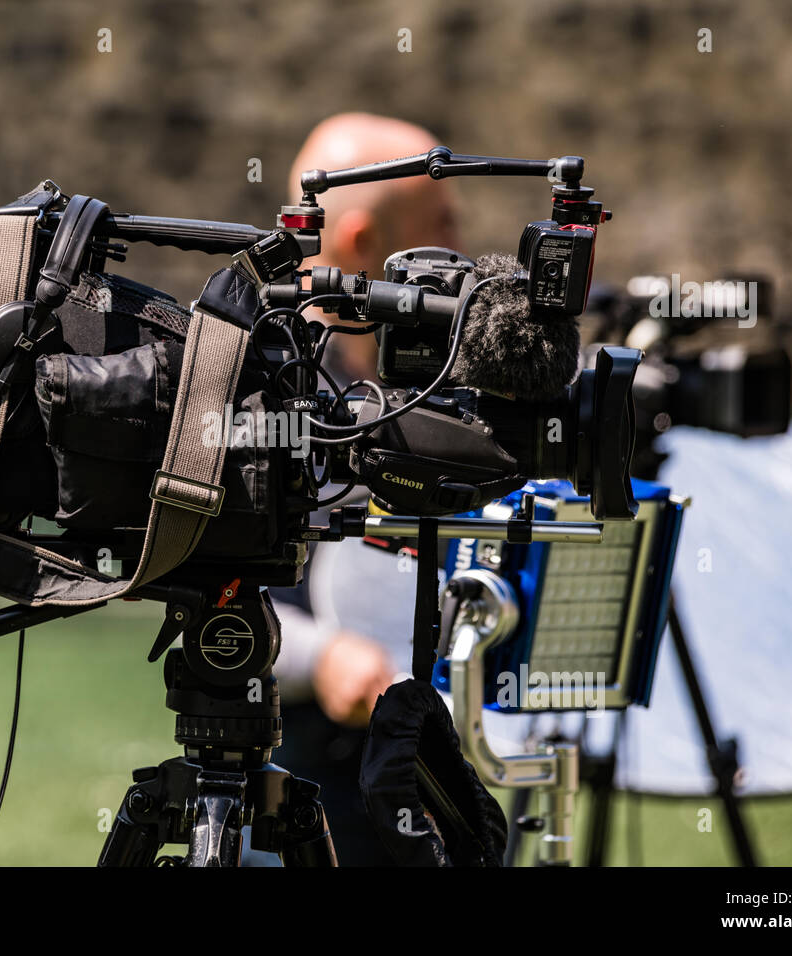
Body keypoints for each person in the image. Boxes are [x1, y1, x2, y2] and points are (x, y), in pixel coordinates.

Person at [268, 113, 462, 865]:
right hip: (301, 782)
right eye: (439, 232)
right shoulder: (263, 397)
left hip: (433, 763)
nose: (459, 259)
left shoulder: (430, 394)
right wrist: (324, 659)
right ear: (359, 245)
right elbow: (197, 605)